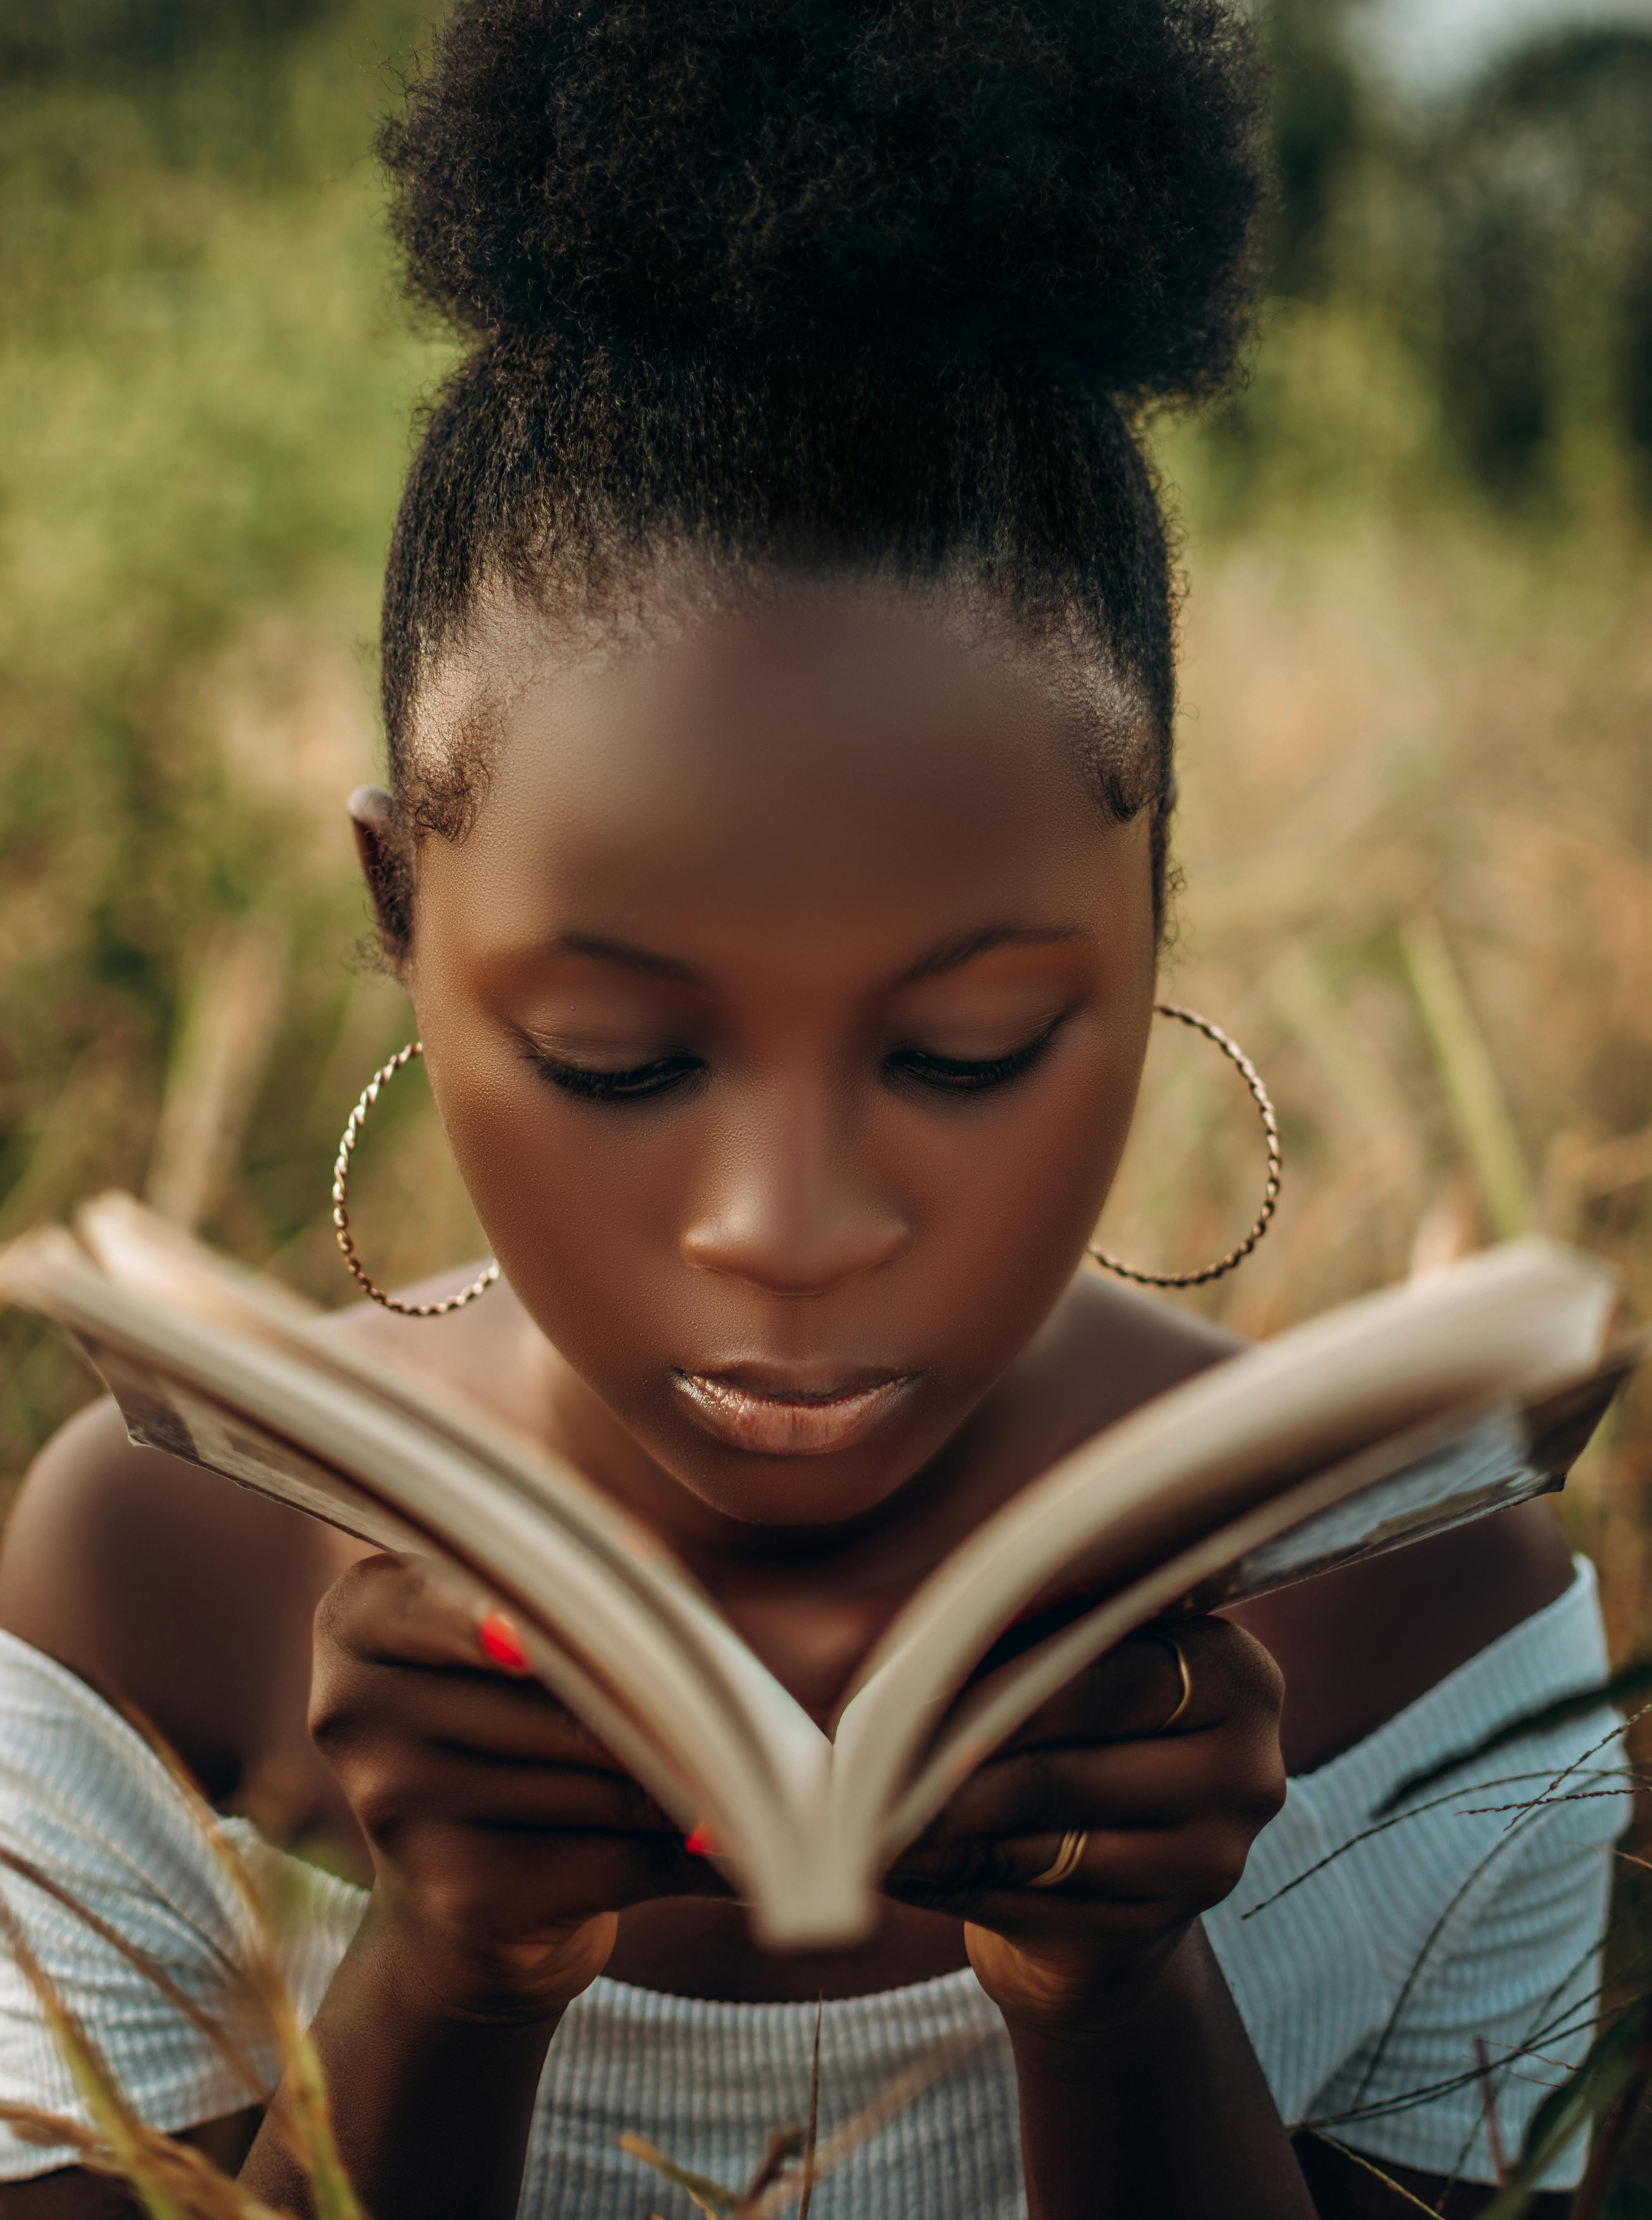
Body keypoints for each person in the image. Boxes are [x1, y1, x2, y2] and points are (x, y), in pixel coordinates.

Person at [0, 3, 1628, 2215]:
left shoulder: (1417, 1616)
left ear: (1156, 915)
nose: (785, 1223)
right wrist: (443, 1994)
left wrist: (1129, 2002)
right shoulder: (157, 1568)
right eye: (619, 1060)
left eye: (962, 1052)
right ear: (399, 905)